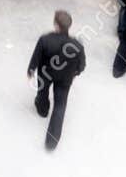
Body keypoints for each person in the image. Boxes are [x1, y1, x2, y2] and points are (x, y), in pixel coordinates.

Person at [28, 9, 86, 150]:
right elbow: (82, 65)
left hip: (46, 74)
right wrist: (75, 73)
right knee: (60, 105)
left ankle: (42, 110)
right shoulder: (77, 45)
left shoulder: (45, 39)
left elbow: (36, 57)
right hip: (65, 79)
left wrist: (31, 70)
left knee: (42, 92)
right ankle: (52, 142)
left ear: (55, 24)